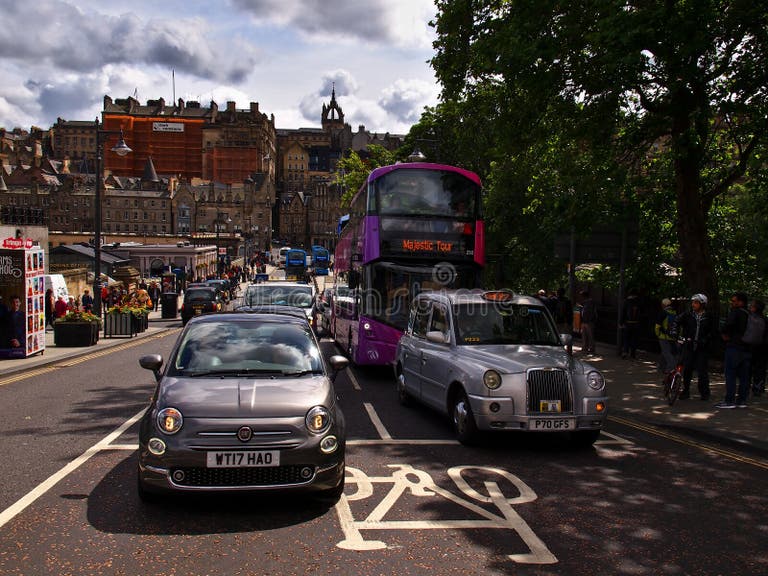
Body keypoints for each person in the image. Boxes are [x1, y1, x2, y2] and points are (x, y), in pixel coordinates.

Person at [675, 294, 713, 400]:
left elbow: (713, 331)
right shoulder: (688, 314)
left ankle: (705, 393)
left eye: (696, 302)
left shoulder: (709, 316)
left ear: (702, 304)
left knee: (702, 371)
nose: (693, 304)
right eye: (693, 302)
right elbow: (676, 321)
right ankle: (685, 391)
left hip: (702, 347)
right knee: (687, 369)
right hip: (689, 345)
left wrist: (706, 339)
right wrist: (675, 331)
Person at [717, 291, 751, 408]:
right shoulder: (750, 314)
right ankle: (742, 400)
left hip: (734, 346)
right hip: (747, 348)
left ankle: (729, 400)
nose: (732, 303)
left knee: (730, 374)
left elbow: (728, 325)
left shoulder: (735, 312)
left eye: (734, 301)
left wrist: (724, 333)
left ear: (740, 302)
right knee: (744, 376)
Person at [747, 299, 767, 397]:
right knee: (759, 369)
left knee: (750, 368)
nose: (750, 307)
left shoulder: (750, 319)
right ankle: (758, 388)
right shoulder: (764, 320)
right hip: (761, 348)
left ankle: (747, 387)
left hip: (753, 347)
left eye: (752, 306)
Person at [654, 298, 678, 372]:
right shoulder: (674, 313)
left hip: (663, 336)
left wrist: (658, 334)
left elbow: (657, 326)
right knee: (664, 351)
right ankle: (661, 367)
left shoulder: (663, 313)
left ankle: (670, 368)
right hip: (672, 336)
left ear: (663, 305)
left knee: (666, 352)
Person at [619, 290, 641, 359]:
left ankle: (625, 352)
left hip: (627, 323)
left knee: (626, 338)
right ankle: (633, 354)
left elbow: (623, 313)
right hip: (636, 323)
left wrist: (620, 323)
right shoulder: (638, 302)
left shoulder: (626, 302)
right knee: (634, 339)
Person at [579, 290, 597, 355]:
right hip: (584, 320)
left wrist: (591, 319)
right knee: (584, 335)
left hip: (589, 321)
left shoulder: (591, 302)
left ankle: (591, 348)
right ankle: (585, 347)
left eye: (581, 296)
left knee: (590, 335)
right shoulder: (584, 303)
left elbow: (593, 312)